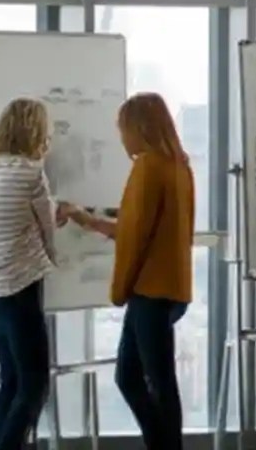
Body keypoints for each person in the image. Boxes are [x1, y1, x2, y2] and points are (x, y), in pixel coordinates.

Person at [62, 92, 195, 450]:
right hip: (172, 288)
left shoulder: (148, 166)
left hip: (150, 291)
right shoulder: (179, 165)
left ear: (138, 128)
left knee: (146, 379)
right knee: (145, 378)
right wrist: (92, 220)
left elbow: (135, 235)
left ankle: (164, 445)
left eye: (123, 129)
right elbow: (153, 227)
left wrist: (119, 289)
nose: (122, 137)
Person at [0, 98, 72, 450]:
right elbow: (48, 230)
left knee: (12, 382)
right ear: (36, 132)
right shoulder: (32, 172)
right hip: (20, 288)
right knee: (34, 386)